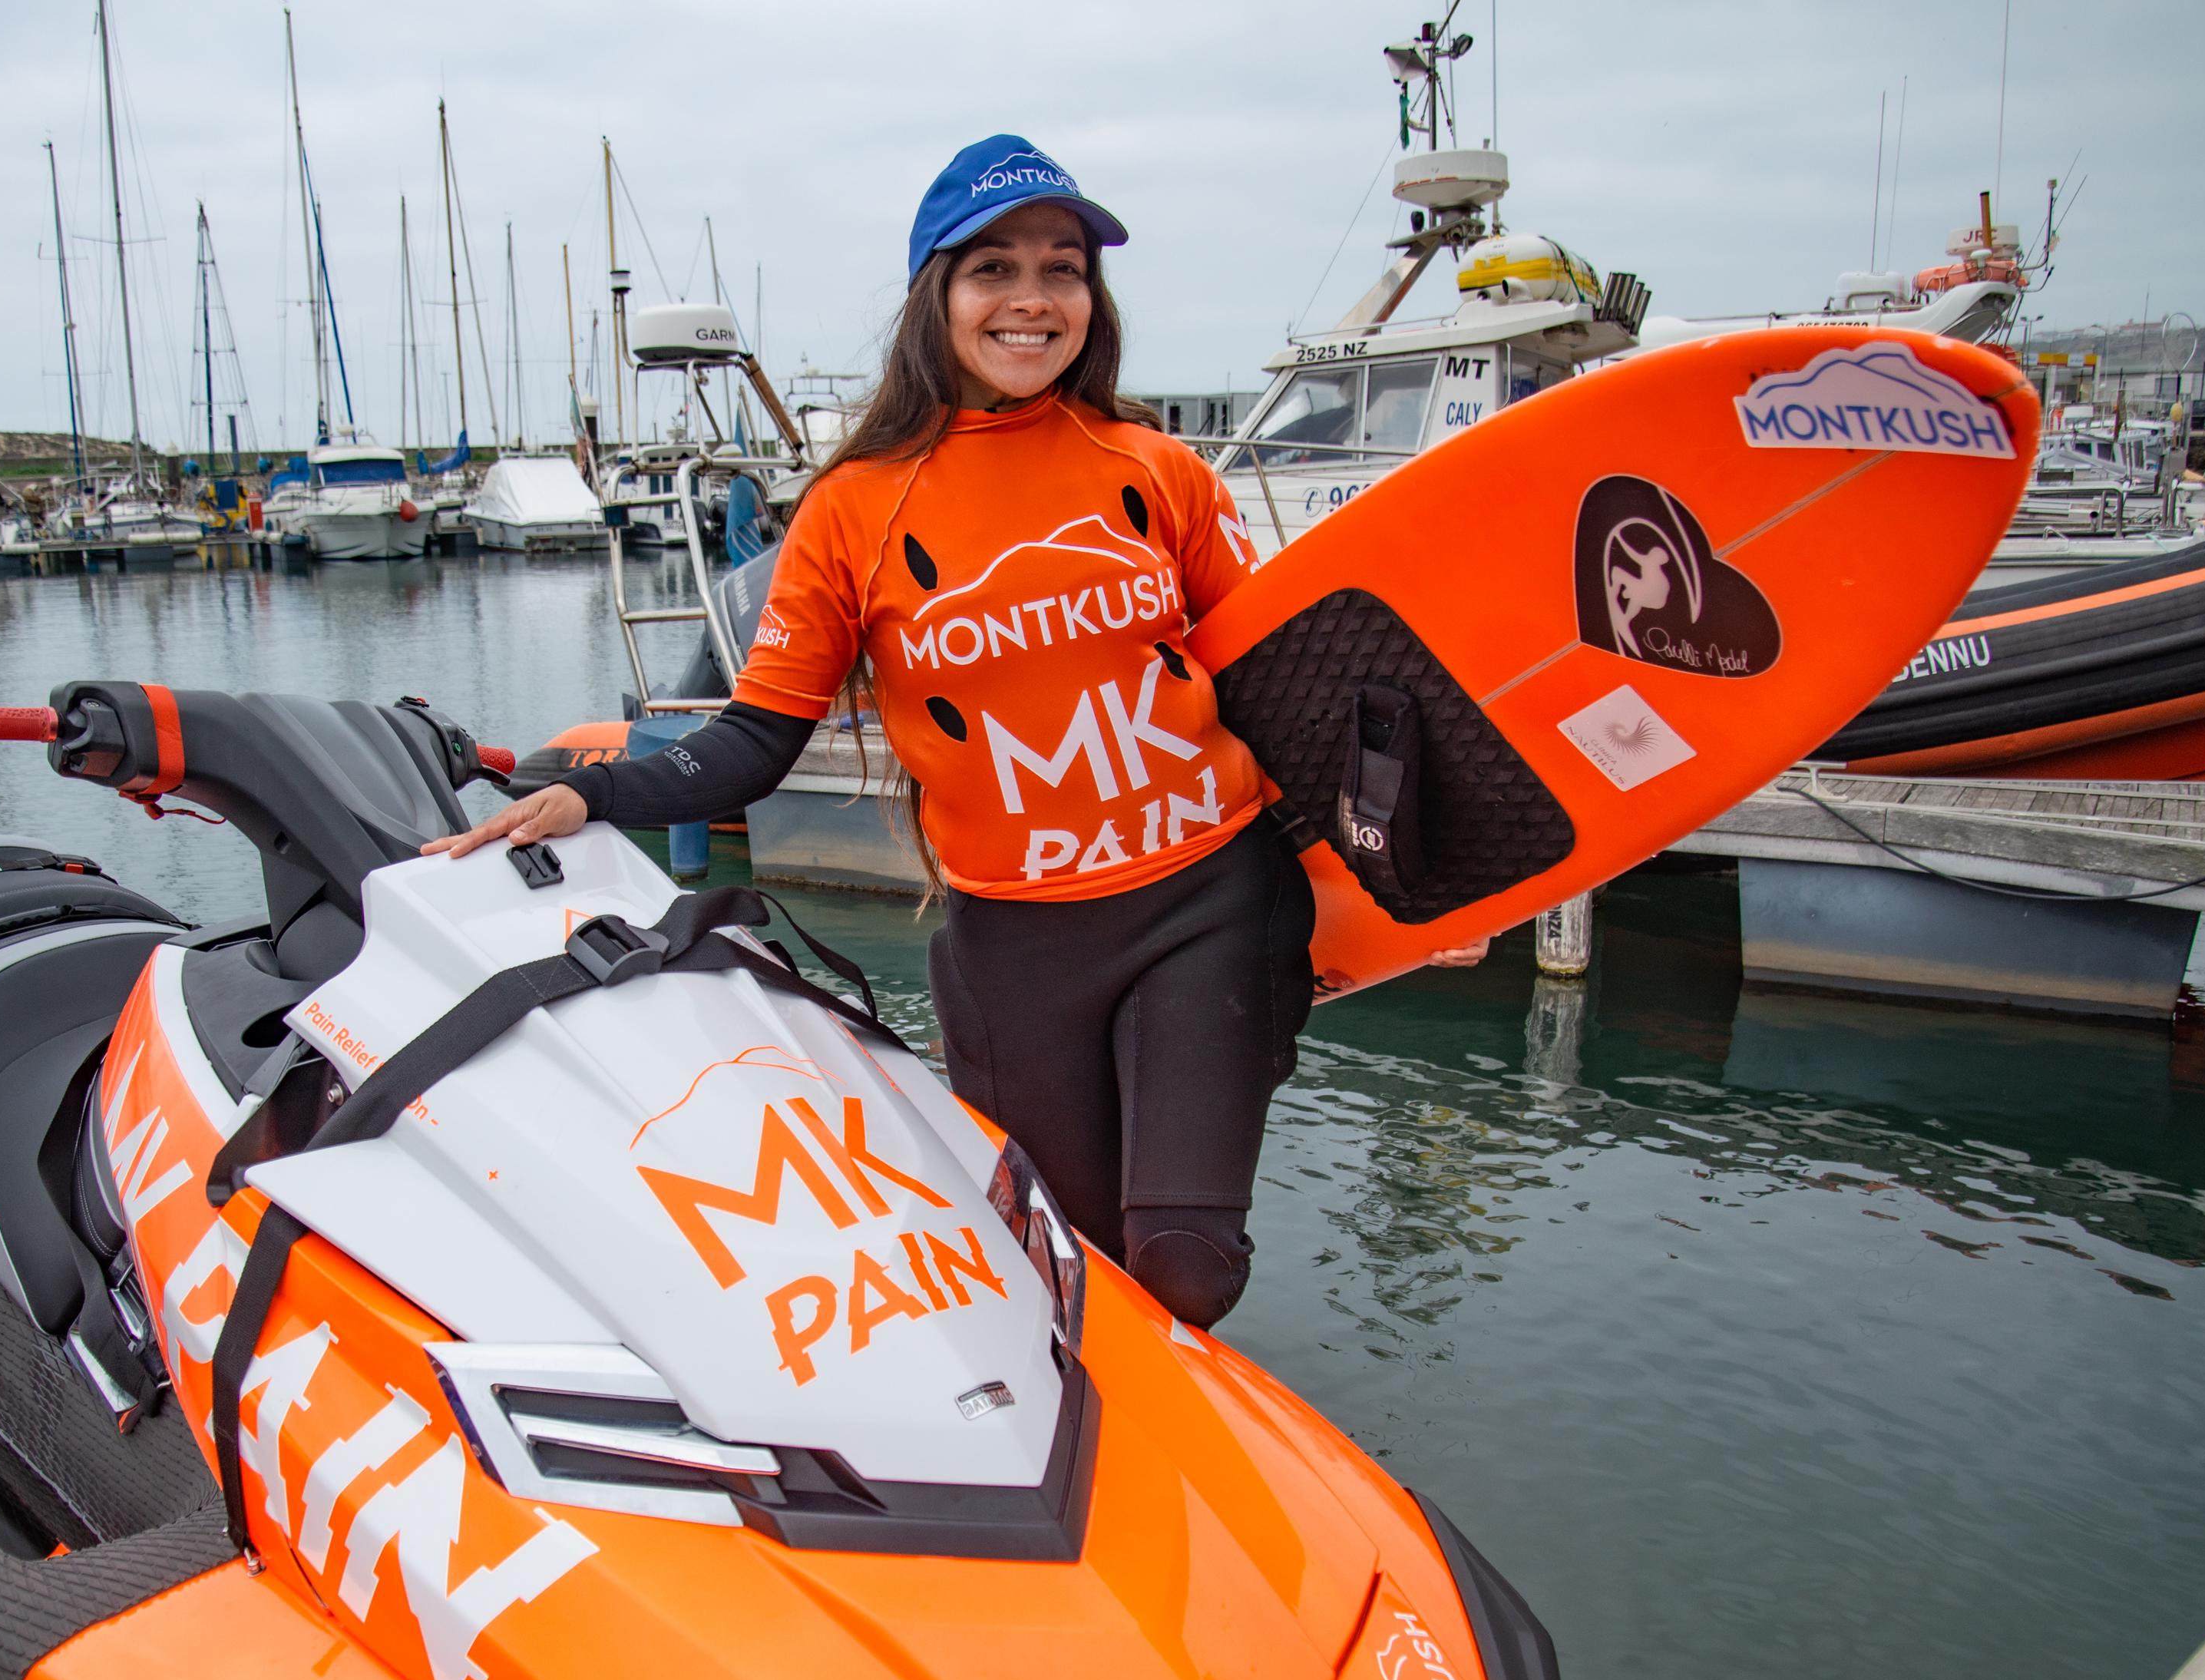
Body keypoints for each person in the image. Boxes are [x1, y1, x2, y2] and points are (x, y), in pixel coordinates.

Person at [427, 134, 1478, 1329]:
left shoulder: (1157, 470)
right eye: (996, 269)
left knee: (1184, 1264)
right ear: (937, 295)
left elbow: (1290, 696)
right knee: (1063, 1287)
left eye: (1064, 268)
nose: (1033, 300)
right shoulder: (853, 510)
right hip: (1016, 950)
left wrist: (1418, 882)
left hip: (1208, 900)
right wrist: (595, 794)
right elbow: (757, 740)